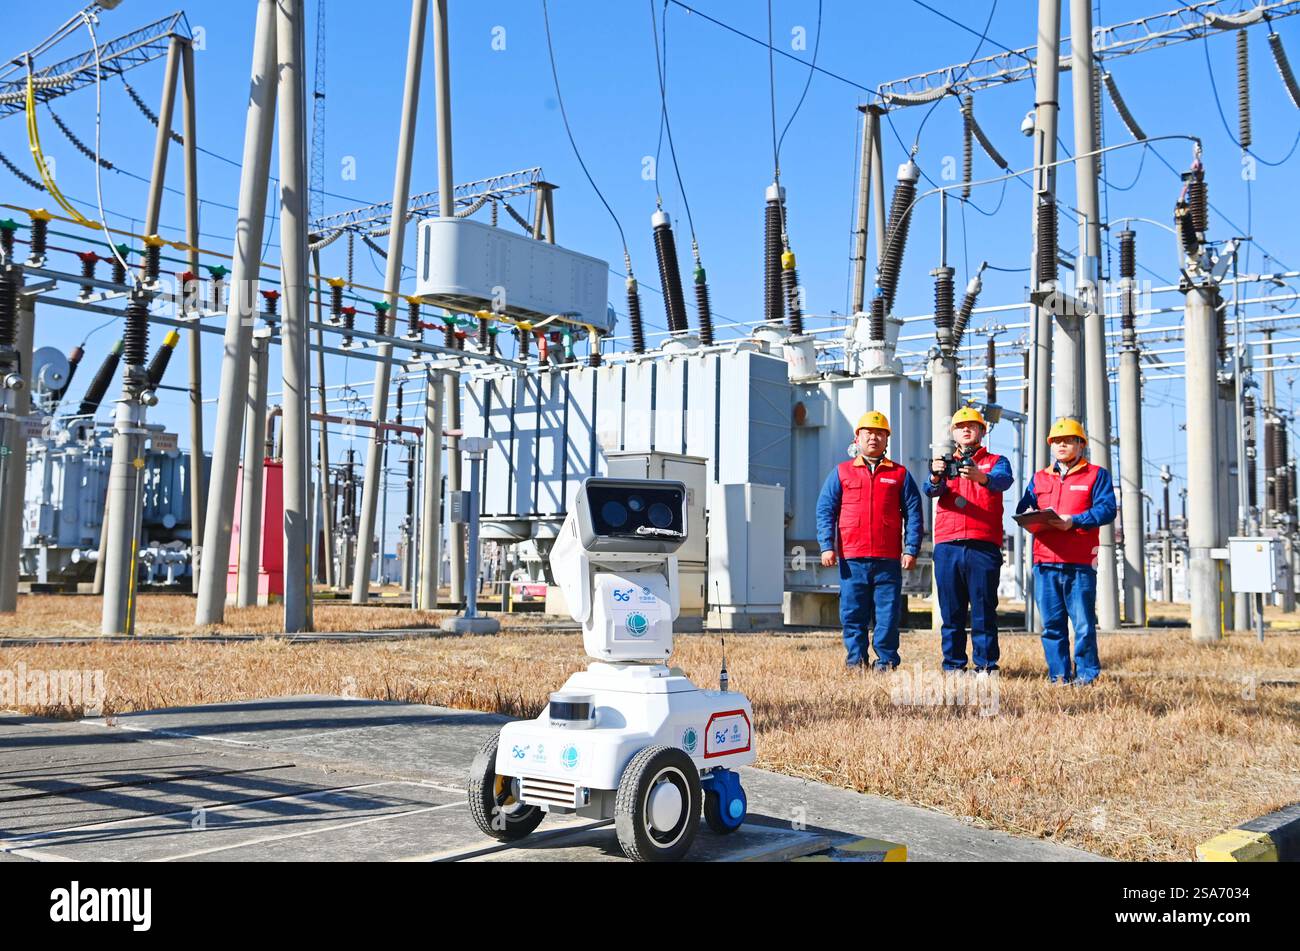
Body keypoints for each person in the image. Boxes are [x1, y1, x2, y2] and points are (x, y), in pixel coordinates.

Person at [816, 410, 924, 670]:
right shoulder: (841, 472)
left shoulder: (899, 474)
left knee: (887, 615)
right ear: (858, 437)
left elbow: (914, 513)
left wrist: (910, 548)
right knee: (853, 613)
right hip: (853, 557)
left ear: (887, 440)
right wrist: (827, 546)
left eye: (880, 433)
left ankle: (886, 661)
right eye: (868, 433)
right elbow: (825, 509)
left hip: (887, 558)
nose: (874, 438)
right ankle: (856, 661)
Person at [1016, 417, 1117, 684]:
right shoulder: (1039, 478)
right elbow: (1024, 506)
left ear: (1080, 445)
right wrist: (1027, 513)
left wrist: (1075, 520)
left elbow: (1107, 509)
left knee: (1083, 625)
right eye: (1056, 442)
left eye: (1067, 441)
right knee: (1051, 626)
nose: (1061, 445)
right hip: (1045, 561)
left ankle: (1086, 676)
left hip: (1079, 561)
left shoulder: (1096, 474)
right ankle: (1059, 677)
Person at [924, 406, 1014, 673]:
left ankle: (986, 667)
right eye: (960, 426)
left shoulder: (996, 460)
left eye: (972, 425)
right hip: (948, 545)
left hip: (982, 544)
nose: (966, 429)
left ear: (982, 431)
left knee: (984, 611)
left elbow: (1004, 481)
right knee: (951, 612)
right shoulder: (944, 462)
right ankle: (953, 666)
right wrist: (935, 474)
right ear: (953, 432)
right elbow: (930, 490)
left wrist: (982, 477)